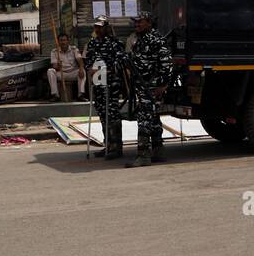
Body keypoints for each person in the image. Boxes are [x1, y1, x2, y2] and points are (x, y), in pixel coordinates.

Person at [125, 9, 174, 167]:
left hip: (152, 87)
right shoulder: (140, 40)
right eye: (136, 22)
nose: (137, 24)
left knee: (144, 119)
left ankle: (143, 155)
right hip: (143, 86)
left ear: (149, 23)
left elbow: (167, 64)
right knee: (153, 118)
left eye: (140, 21)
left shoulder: (156, 39)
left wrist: (163, 85)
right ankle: (158, 151)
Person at [84, 15, 125, 159]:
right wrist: (90, 69)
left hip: (111, 82)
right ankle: (108, 145)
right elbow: (88, 61)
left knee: (112, 113)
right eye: (96, 27)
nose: (97, 29)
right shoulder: (92, 43)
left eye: (100, 27)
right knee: (102, 112)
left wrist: (106, 70)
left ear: (106, 27)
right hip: (98, 82)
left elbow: (120, 63)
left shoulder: (115, 43)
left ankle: (116, 146)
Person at [47, 32, 85, 101]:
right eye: (61, 40)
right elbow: (54, 66)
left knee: (83, 71)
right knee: (50, 71)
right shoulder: (54, 51)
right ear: (58, 42)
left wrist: (81, 68)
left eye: (64, 40)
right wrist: (58, 65)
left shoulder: (74, 49)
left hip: (73, 72)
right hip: (61, 73)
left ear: (68, 41)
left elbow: (80, 60)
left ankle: (80, 95)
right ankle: (55, 95)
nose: (63, 42)